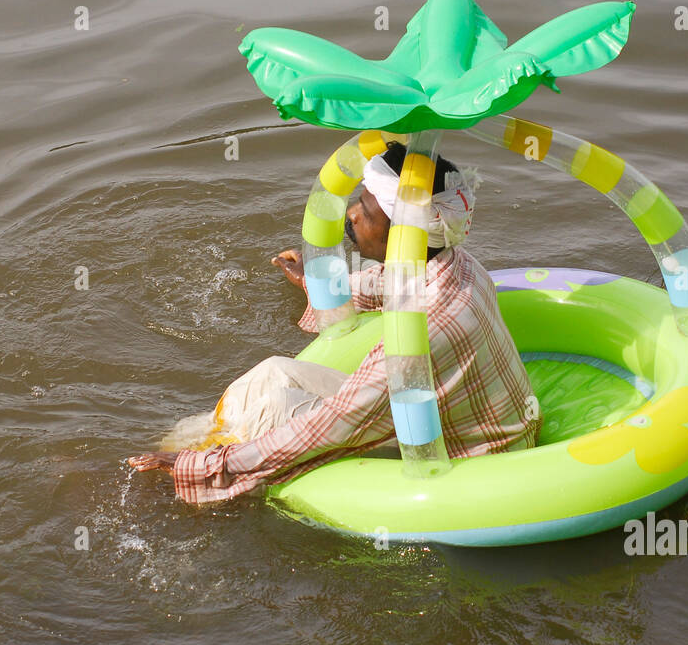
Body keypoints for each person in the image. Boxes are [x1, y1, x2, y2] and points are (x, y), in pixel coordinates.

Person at [126, 141, 541, 502]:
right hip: (451, 421)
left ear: (405, 231)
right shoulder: (456, 264)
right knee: (271, 373)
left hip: (471, 462)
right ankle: (177, 453)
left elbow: (328, 426)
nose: (353, 215)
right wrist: (314, 283)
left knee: (269, 411)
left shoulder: (423, 334)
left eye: (366, 208)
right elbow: (386, 283)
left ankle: (179, 472)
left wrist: (205, 465)